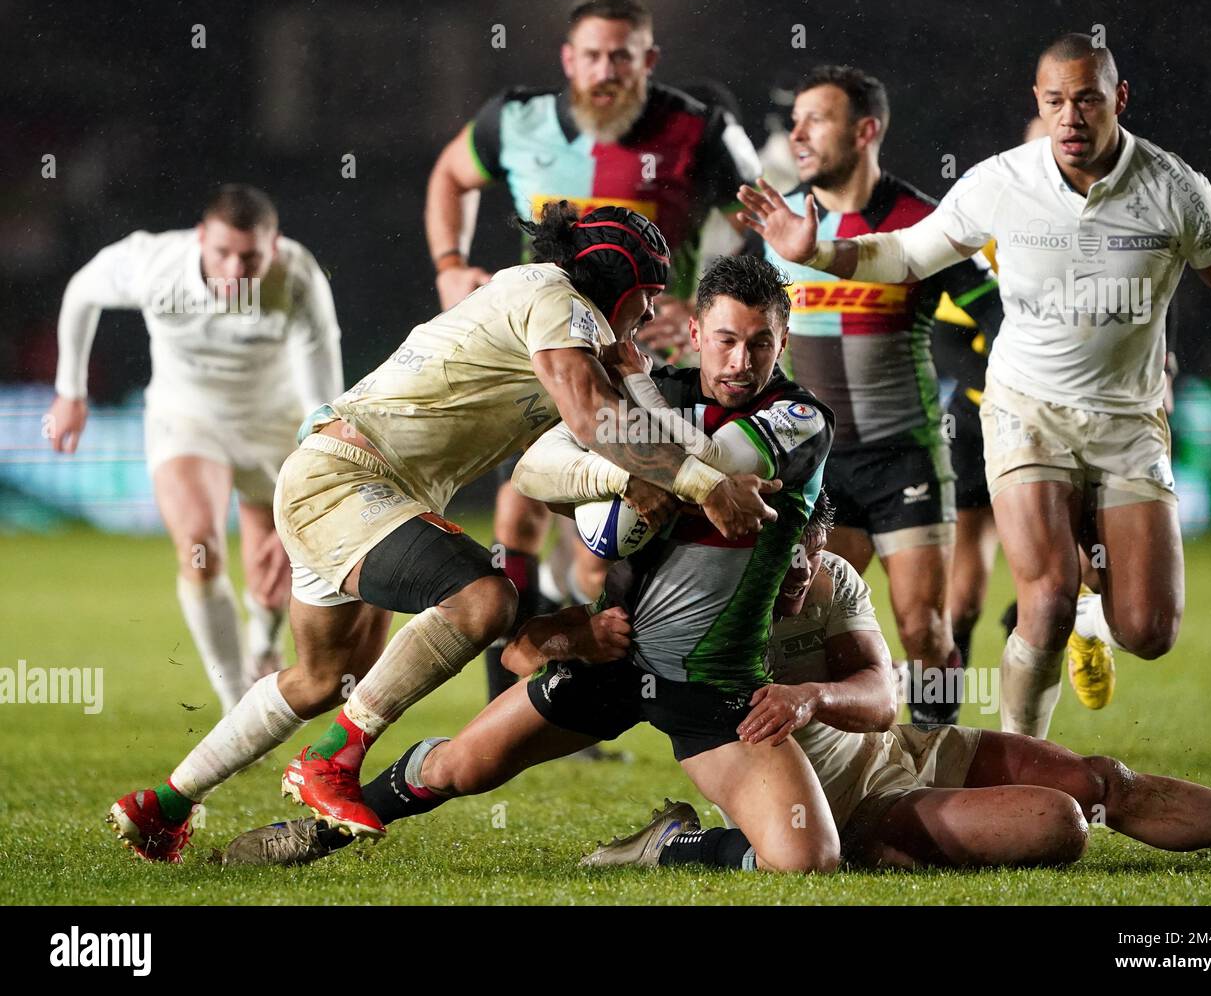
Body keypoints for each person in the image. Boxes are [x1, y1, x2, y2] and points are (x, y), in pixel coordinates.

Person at [108, 204, 777, 862]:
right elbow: (598, 424)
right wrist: (706, 487)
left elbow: (561, 465)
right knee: (484, 600)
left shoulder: (555, 320)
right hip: (350, 483)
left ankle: (165, 804)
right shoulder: (555, 300)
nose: (651, 315)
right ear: (621, 289)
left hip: (348, 482)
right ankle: (331, 759)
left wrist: (633, 407)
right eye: (650, 298)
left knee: (325, 677)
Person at [739, 33, 1211, 739]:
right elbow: (909, 255)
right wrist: (817, 250)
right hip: (1023, 411)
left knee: (1150, 629)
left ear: (1118, 100)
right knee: (1043, 598)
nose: (1071, 116)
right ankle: (1025, 763)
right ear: (1038, 103)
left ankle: (1095, 615)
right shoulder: (1000, 182)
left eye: (1088, 99)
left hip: (1127, 425)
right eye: (1055, 100)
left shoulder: (1174, 189)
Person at [224, 255, 841, 872]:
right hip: (612, 649)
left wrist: (638, 400)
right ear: (698, 335)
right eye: (727, 340)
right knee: (457, 766)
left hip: (711, 680)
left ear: (783, 341)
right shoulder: (637, 394)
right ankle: (310, 836)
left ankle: (665, 848)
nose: (741, 362)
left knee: (805, 858)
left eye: (761, 344)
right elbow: (532, 468)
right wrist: (612, 471)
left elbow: (713, 462)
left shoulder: (799, 418)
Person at [580, 510, 1211, 871]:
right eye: (781, 553)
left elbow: (880, 695)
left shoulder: (829, 578)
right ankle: (686, 845)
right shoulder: (702, 607)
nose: (799, 569)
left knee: (1099, 778)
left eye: (811, 548)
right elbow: (610, 683)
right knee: (1061, 824)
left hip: (902, 749)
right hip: (851, 807)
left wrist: (811, 697)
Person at [426, 0, 761, 701]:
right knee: (516, 513)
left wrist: (702, 310)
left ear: (649, 59)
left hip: (641, 366)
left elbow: (760, 228)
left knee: (610, 534)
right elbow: (450, 175)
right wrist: (450, 264)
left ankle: (598, 693)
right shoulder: (514, 122)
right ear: (567, 59)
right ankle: (511, 701)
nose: (605, 69)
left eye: (621, 55)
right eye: (592, 55)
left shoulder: (699, 128)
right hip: (547, 355)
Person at [750, 65, 999, 725]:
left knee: (924, 630)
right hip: (819, 466)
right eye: (795, 120)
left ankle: (937, 756)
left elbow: (996, 316)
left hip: (905, 457)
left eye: (816, 120)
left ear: (866, 130)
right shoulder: (780, 226)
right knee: (819, 631)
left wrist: (1003, 396)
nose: (797, 134)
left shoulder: (924, 222)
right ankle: (847, 782)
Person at [48, 184, 342, 713]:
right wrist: (71, 392)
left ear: (273, 246)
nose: (234, 270)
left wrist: (307, 489)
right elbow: (81, 292)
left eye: (249, 257)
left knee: (275, 580)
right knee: (199, 548)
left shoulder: (297, 278)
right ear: (200, 238)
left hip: (274, 427)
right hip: (188, 420)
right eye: (222, 253)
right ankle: (236, 705)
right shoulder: (153, 264)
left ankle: (262, 639)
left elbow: (322, 403)